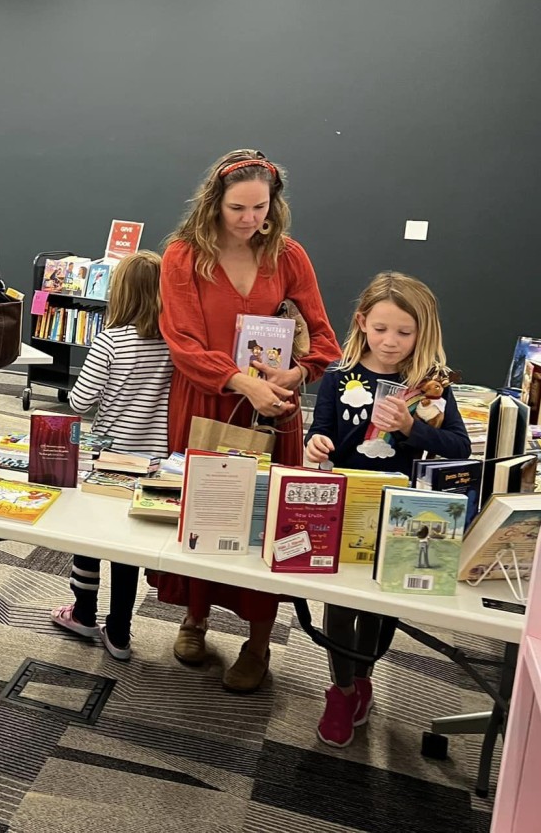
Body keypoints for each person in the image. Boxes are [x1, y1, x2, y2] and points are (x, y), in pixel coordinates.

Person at [150, 149, 340, 693]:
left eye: (261, 207)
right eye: (238, 208)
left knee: (265, 523)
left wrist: (296, 374)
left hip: (273, 412)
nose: (250, 219)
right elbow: (182, 344)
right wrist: (243, 380)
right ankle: (195, 618)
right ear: (214, 203)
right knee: (207, 513)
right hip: (208, 403)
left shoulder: (289, 256)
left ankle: (259, 642)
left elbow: (324, 340)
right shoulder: (183, 256)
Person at [304, 272, 469, 747]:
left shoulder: (428, 385)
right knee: (338, 601)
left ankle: (364, 675)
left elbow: (458, 443)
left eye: (404, 332)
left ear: (423, 332)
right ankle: (341, 689)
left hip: (401, 511)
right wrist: (319, 446)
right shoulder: (339, 375)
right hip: (346, 500)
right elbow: (325, 430)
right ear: (362, 323)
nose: (390, 341)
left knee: (380, 606)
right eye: (380, 329)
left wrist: (412, 429)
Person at [51, 250, 173, 661]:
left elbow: (80, 401)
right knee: (127, 549)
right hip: (156, 465)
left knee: (88, 538)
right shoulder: (174, 346)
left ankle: (84, 612)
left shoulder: (109, 341)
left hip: (109, 461)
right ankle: (119, 631)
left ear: (119, 292)